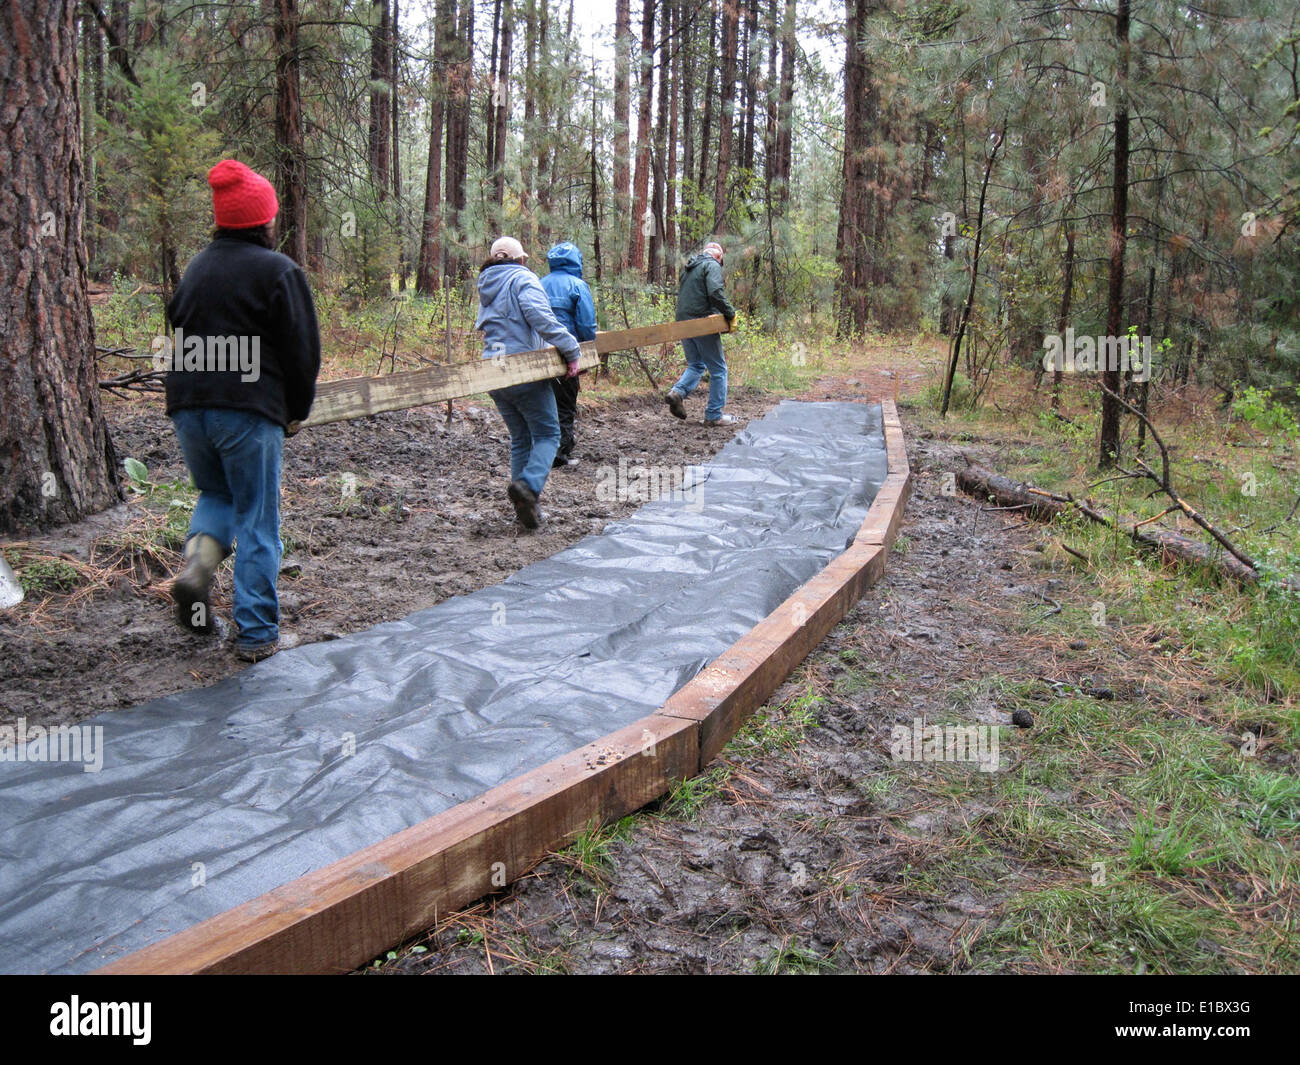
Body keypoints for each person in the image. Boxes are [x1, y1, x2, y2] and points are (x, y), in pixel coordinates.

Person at [164, 159, 321, 663]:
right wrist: (296, 409)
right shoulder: (277, 271)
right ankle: (255, 632)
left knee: (216, 492)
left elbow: (177, 323)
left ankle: (198, 567)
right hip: (246, 411)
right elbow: (302, 351)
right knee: (257, 518)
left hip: (189, 405)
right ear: (263, 220)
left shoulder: (197, 267)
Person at [476, 237, 582, 529]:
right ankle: (529, 488)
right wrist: (572, 350)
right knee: (549, 435)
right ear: (520, 259)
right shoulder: (522, 278)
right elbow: (542, 319)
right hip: (521, 368)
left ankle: (524, 508)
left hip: (493, 369)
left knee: (521, 439)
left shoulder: (486, 282)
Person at [665, 241, 738, 426]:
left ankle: (677, 393)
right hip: (701, 322)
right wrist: (730, 314)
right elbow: (715, 291)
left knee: (696, 364)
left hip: (683, 321)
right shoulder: (711, 264)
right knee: (718, 369)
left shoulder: (689, 268)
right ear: (719, 257)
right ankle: (714, 415)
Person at [540, 241, 598, 468]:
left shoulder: (539, 283)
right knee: (565, 404)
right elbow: (586, 324)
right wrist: (585, 351)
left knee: (543, 404)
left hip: (537, 353)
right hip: (567, 352)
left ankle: (542, 450)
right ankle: (559, 454)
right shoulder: (577, 285)